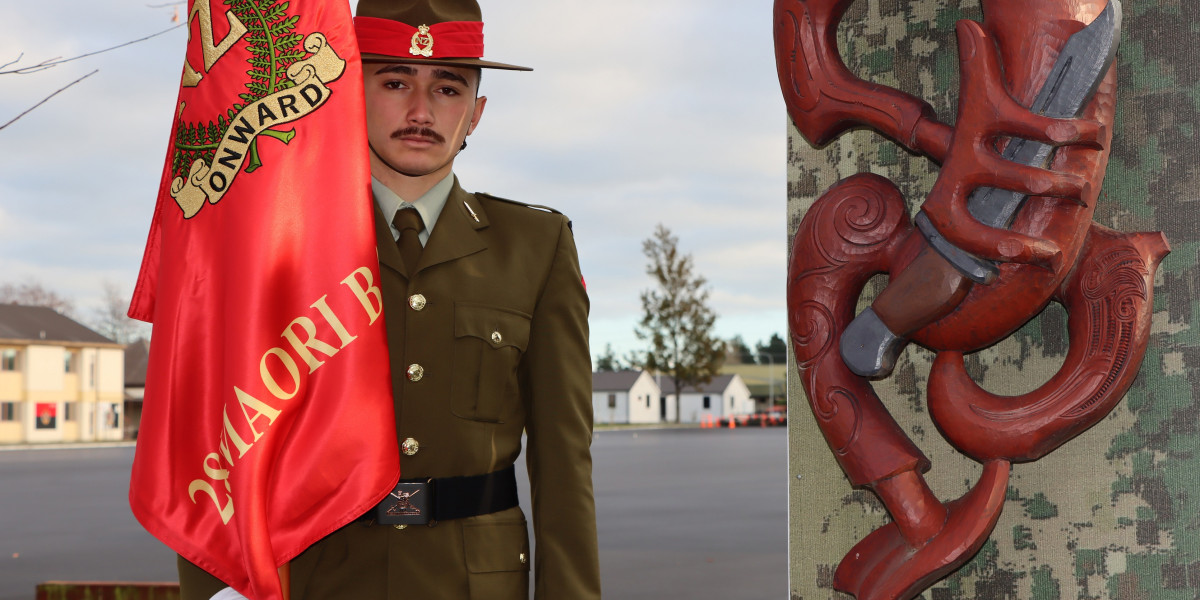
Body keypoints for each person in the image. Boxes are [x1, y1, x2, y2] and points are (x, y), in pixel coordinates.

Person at [178, 0, 600, 598]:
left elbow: (564, 462)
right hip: (319, 576)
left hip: (476, 582)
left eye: (448, 88)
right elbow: (215, 447)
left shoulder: (534, 246)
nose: (421, 111)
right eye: (395, 81)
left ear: (476, 114)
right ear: (350, 92)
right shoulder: (276, 243)